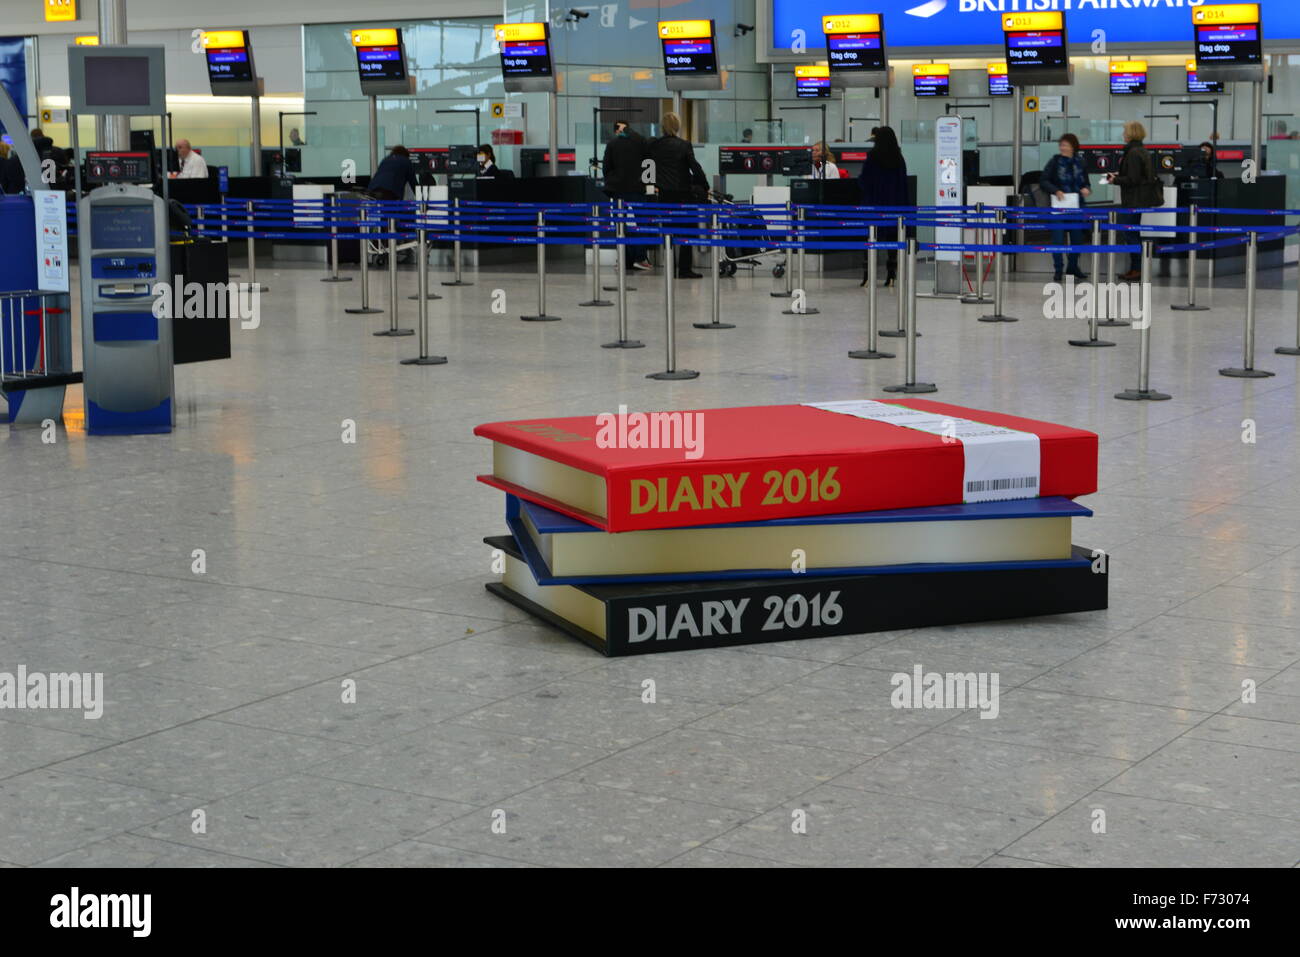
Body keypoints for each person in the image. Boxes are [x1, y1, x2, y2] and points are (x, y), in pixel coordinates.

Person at [648, 112, 708, 279]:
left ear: (662, 127)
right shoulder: (684, 145)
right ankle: (684, 269)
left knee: (669, 233)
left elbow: (648, 166)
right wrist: (704, 186)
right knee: (687, 232)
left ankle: (669, 268)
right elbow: (695, 168)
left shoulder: (654, 146)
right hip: (683, 196)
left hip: (665, 196)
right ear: (677, 126)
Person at [1105, 120, 1164, 281]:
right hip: (1139, 199)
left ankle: (1137, 269)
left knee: (1130, 233)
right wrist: (1120, 174)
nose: (1123, 134)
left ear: (1131, 134)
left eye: (1125, 132)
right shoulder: (1141, 151)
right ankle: (1136, 268)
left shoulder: (1132, 153)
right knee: (1133, 232)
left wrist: (1114, 180)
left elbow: (1132, 179)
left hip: (1133, 200)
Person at [857, 125, 908, 287]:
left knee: (870, 239)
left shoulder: (873, 156)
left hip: (873, 205)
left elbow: (864, 180)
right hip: (894, 205)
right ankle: (891, 276)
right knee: (892, 241)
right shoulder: (899, 158)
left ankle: (867, 276)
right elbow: (903, 183)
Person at [1040, 133, 1091, 282]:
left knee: (1077, 239)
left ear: (1073, 147)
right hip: (1059, 206)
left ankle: (1073, 267)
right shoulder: (1055, 162)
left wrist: (1086, 189)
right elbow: (1043, 180)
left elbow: (1086, 182)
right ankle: (1058, 269)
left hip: (1076, 206)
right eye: (1061, 145)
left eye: (1066, 145)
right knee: (1057, 240)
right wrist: (1056, 190)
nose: (1062, 148)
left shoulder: (1080, 162)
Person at [602, 121, 650, 270]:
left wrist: (611, 180)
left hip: (618, 190)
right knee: (641, 224)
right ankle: (640, 258)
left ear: (617, 131)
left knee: (620, 225)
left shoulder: (612, 144)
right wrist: (649, 184)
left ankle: (623, 260)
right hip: (637, 188)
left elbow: (606, 167)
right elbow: (649, 163)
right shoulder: (642, 141)